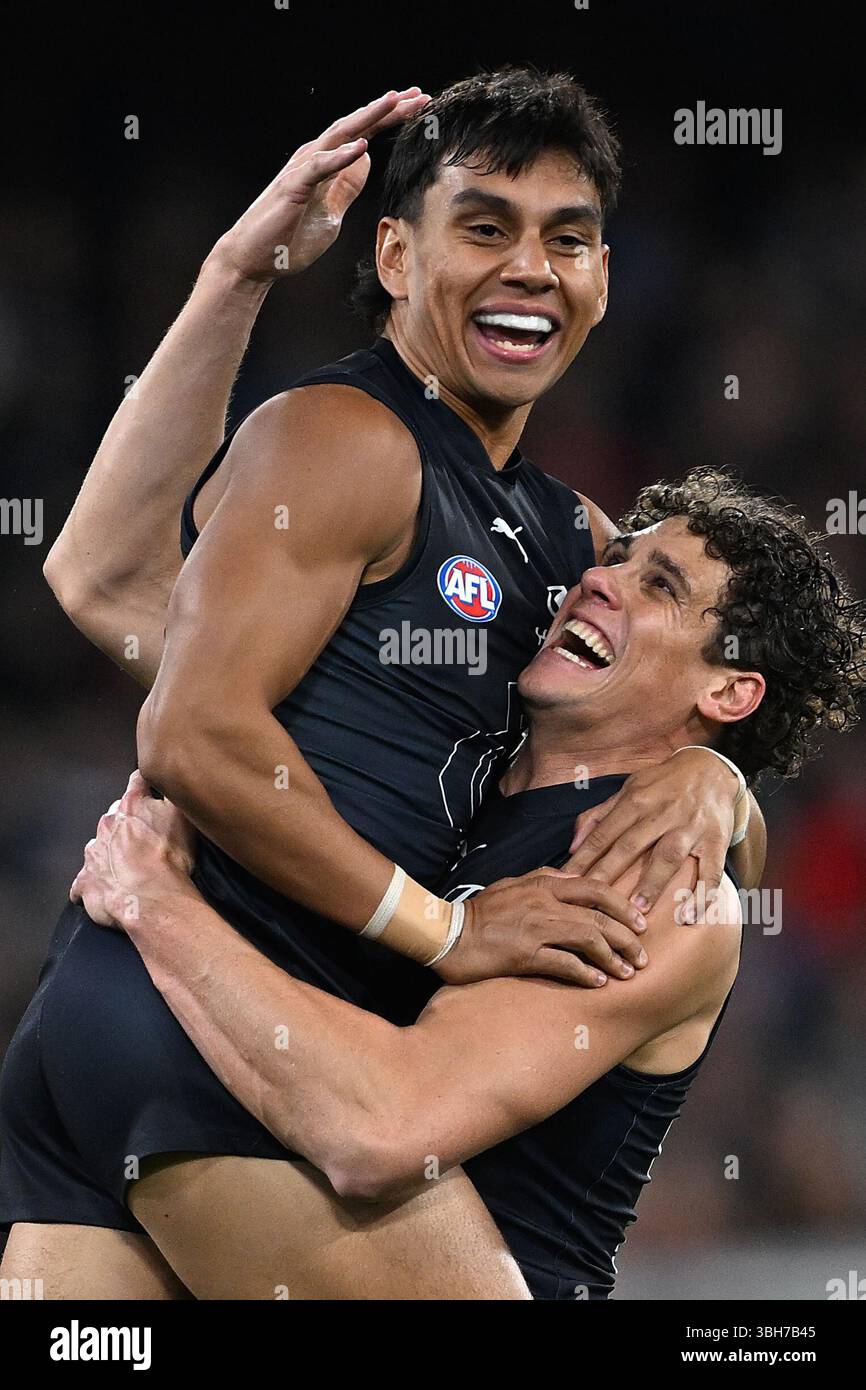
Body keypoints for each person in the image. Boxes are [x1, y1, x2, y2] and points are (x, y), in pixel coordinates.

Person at [0, 71, 765, 1295]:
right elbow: (194, 731)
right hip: (231, 1031)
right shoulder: (343, 439)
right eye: (484, 228)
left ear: (604, 279)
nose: (530, 266)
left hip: (126, 1030)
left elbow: (104, 579)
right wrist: (444, 929)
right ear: (397, 257)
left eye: (566, 239)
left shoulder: (569, 539)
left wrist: (714, 779)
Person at [61, 474, 866, 1300]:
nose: (600, 578)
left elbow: (384, 1132)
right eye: (617, 557)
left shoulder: (645, 874)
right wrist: (719, 780)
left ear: (728, 691)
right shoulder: (466, 750)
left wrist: (156, 906)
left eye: (657, 585)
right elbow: (109, 588)